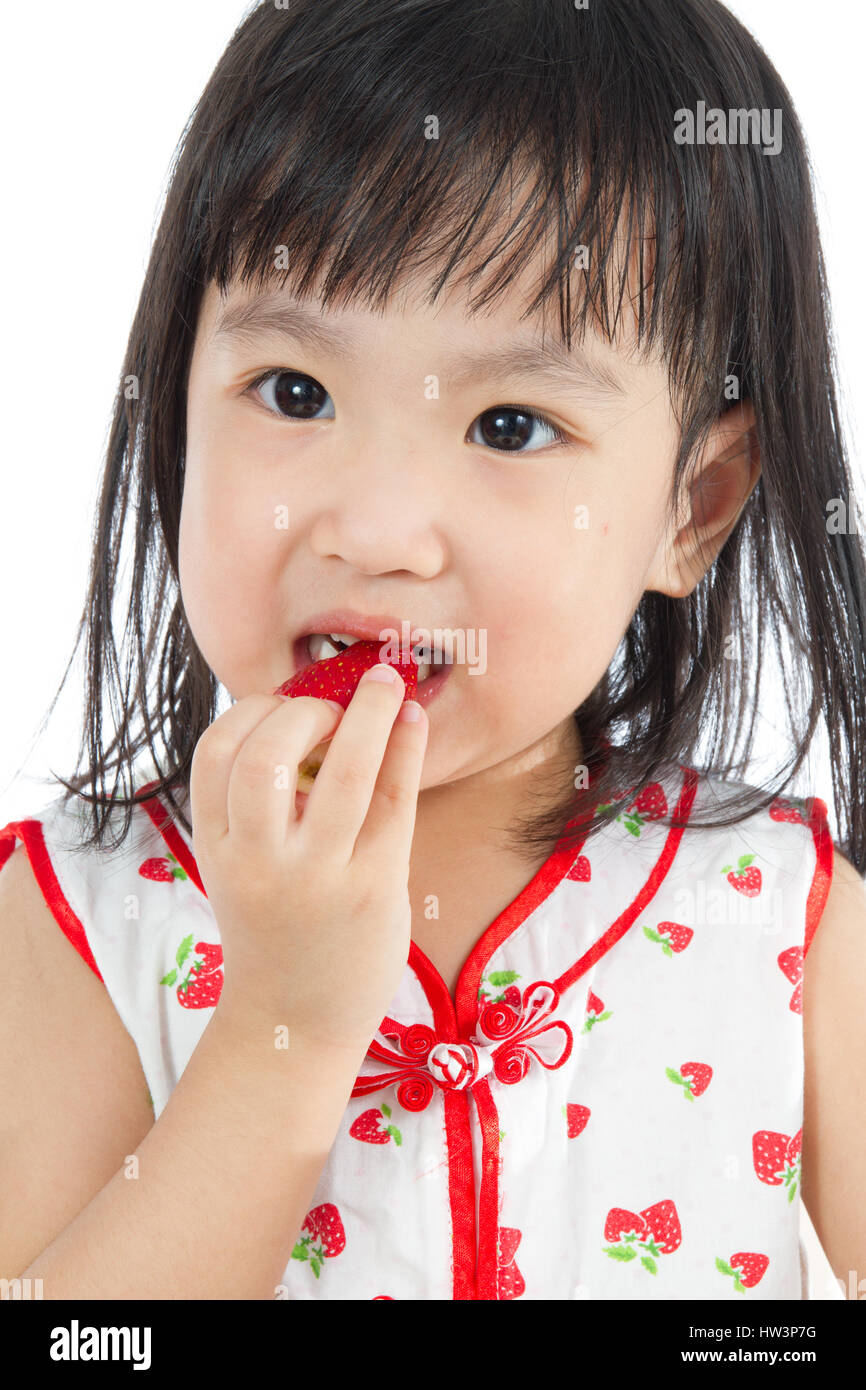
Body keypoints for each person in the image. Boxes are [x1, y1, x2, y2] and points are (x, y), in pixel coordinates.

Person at [1, 0, 864, 1301]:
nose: (378, 531)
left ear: (689, 509)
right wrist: (278, 1037)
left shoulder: (780, 923)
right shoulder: (74, 924)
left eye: (510, 423)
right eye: (294, 392)